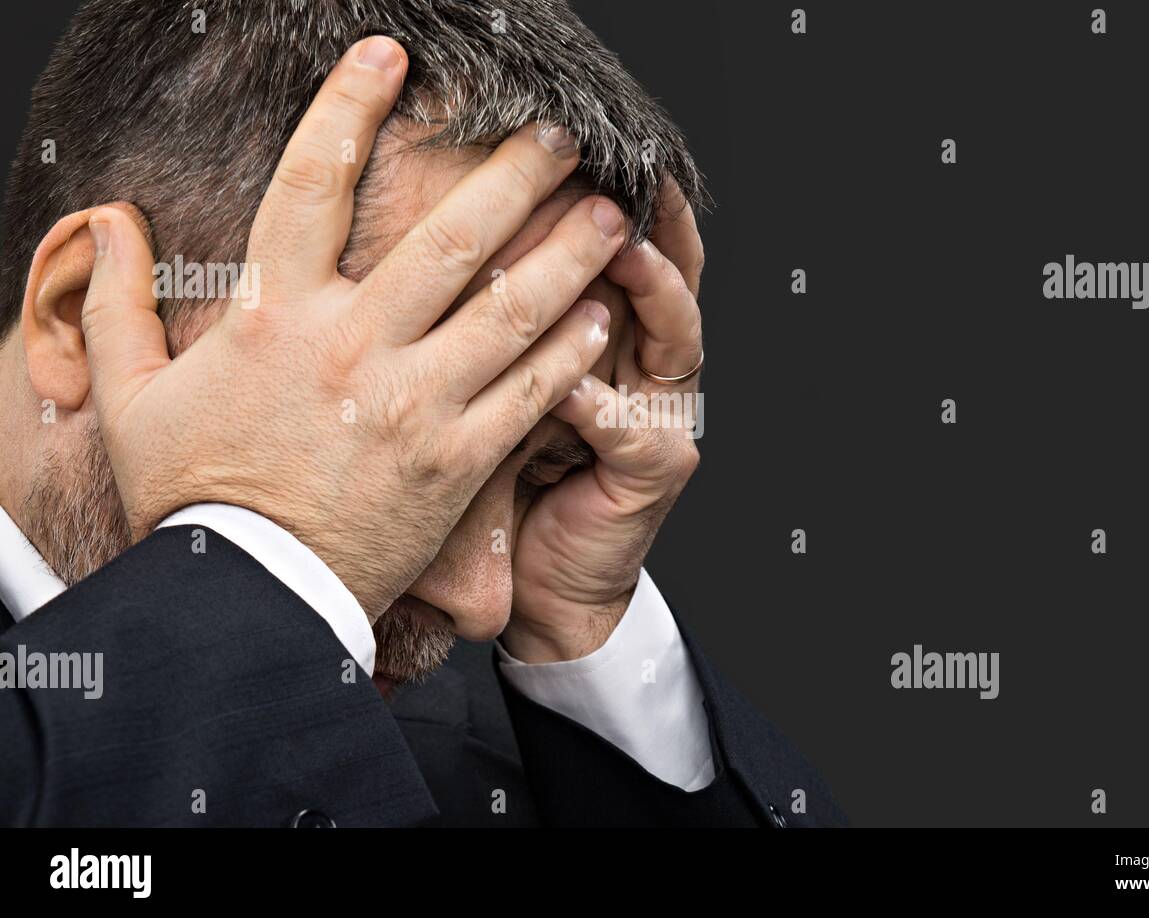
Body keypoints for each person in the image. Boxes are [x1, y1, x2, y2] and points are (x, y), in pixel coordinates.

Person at [0, 0, 846, 827]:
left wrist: (588, 638)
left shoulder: (479, 774)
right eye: (380, 424)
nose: (483, 603)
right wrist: (263, 570)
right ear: (82, 315)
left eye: (537, 474)